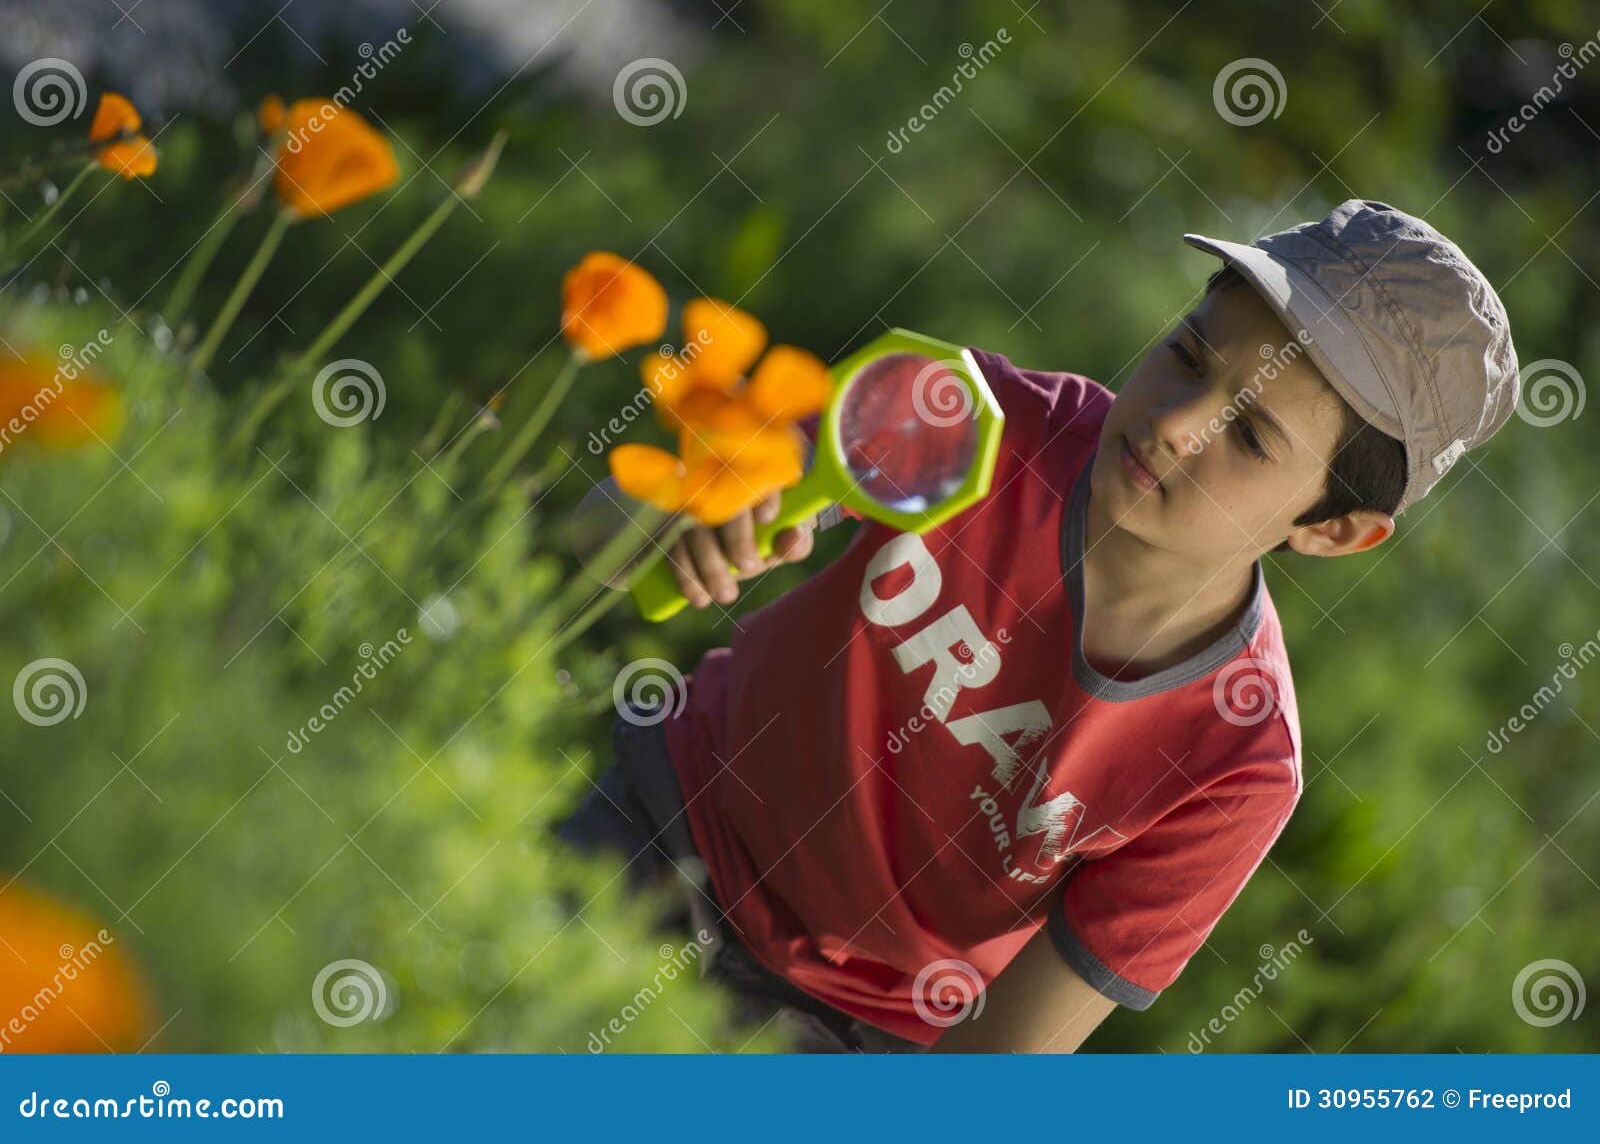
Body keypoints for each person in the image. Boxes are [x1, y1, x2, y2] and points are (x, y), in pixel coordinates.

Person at [559, 199, 1521, 1052]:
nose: (1180, 420)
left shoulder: (1239, 763)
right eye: (1188, 355)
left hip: (845, 1036)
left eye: (1253, 433)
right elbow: (591, 535)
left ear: (1336, 529)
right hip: (652, 822)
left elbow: (1002, 1064)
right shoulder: (981, 418)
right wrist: (682, 515)